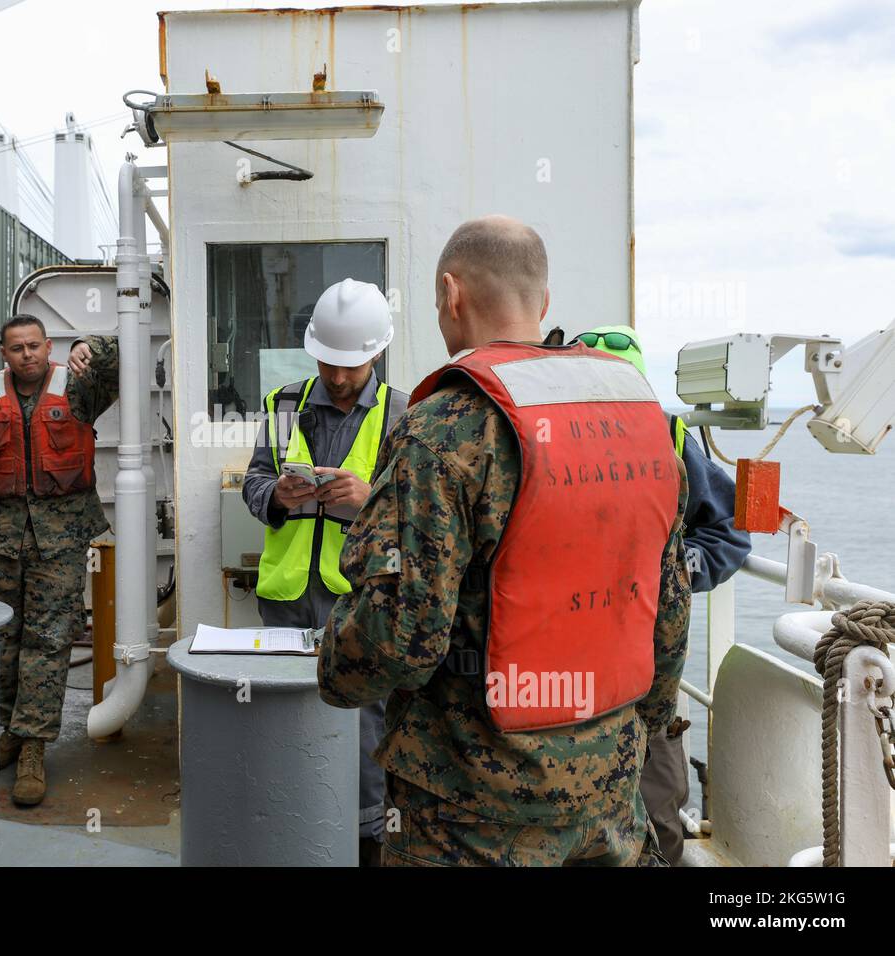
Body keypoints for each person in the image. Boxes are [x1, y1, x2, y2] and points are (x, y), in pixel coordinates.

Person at [317, 215, 691, 866]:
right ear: (542, 302)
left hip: (469, 811)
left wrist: (330, 672)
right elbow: (669, 618)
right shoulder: (643, 423)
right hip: (611, 796)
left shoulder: (441, 430)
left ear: (451, 295)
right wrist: (643, 728)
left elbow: (401, 642)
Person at [242, 277, 407, 865]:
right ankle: (289, 824)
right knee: (285, 714)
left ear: (375, 354)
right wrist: (280, 496)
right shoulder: (285, 405)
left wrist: (370, 498)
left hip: (358, 602)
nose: (337, 378)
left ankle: (365, 840)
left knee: (364, 723)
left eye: (351, 366)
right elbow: (254, 482)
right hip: (287, 597)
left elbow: (416, 516)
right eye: (328, 363)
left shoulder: (401, 415)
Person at [574, 324, 751, 863]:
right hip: (564, 667)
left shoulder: (670, 436)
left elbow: (727, 532)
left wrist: (668, 572)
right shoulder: (548, 437)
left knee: (657, 812)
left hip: (648, 670)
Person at [0, 316, 119, 806]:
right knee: (1, 645)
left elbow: (124, 358)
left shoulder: (80, 390)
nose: (27, 355)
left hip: (60, 543)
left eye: (34, 346)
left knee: (48, 642)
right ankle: (11, 730)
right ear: (4, 353)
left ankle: (33, 748)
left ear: (48, 347)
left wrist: (91, 343)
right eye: (16, 348)